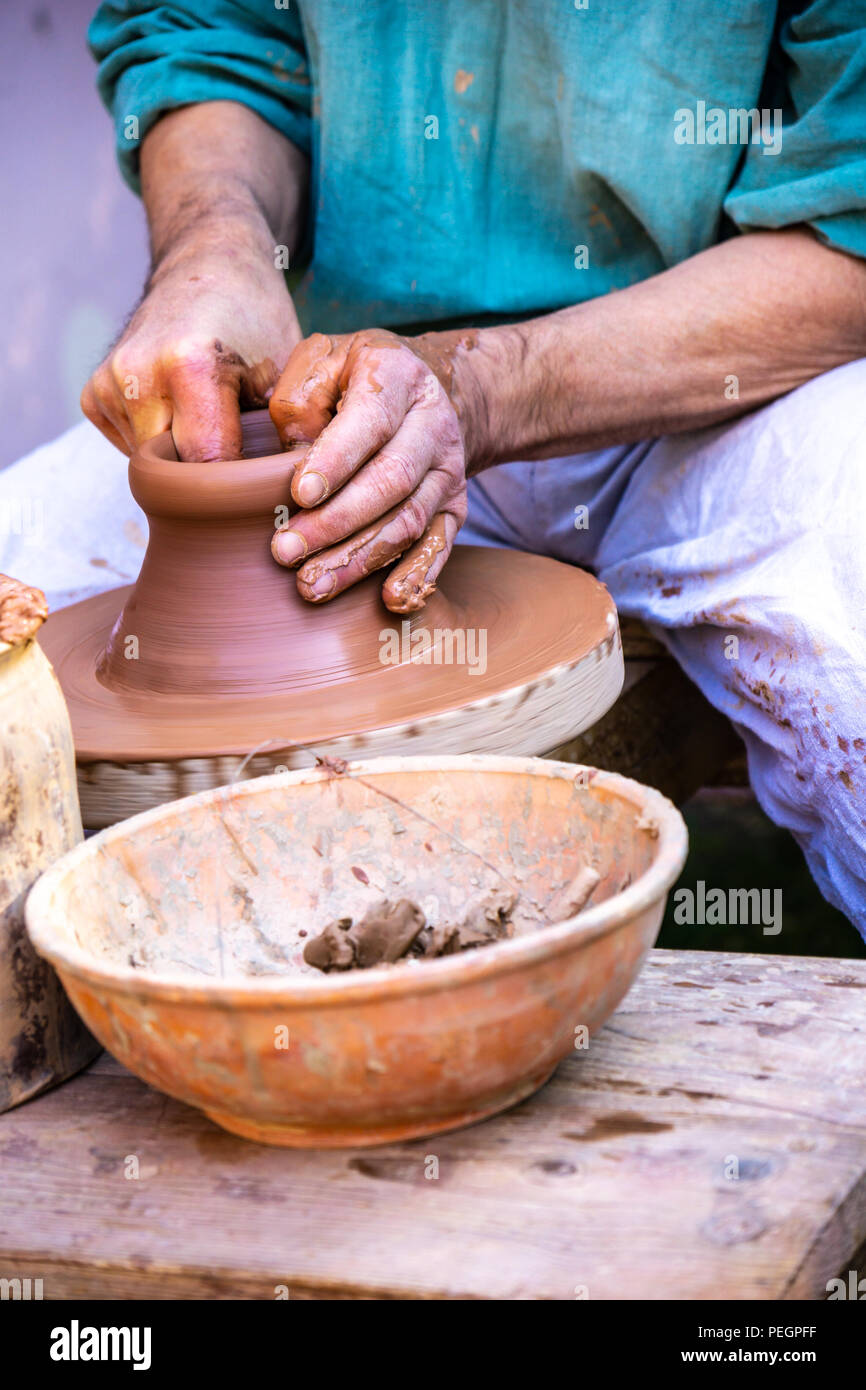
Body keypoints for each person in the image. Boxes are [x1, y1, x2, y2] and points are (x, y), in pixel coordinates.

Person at [3, 1, 866, 934]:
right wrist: (220, 248)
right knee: (21, 589)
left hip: (718, 373)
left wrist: (486, 389)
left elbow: (848, 212)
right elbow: (216, 41)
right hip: (328, 391)